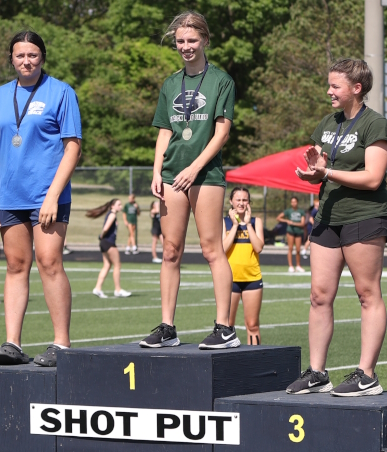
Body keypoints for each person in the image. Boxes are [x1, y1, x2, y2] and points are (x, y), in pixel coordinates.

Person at [286, 58, 387, 397]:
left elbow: (373, 177)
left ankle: (367, 374)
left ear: (356, 89)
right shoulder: (328, 122)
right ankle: (317, 372)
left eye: (335, 86)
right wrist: (312, 170)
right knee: (319, 295)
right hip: (327, 216)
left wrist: (327, 173)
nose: (329, 91)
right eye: (329, 85)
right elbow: (318, 161)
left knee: (367, 294)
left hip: (364, 216)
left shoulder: (375, 125)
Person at [140, 11, 240, 350]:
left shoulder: (221, 81)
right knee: (170, 251)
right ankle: (167, 326)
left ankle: (224, 327)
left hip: (206, 174)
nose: (186, 46)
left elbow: (222, 132)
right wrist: (157, 170)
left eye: (192, 40)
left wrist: (195, 168)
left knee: (212, 250)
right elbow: (165, 131)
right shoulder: (170, 83)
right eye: (180, 41)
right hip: (172, 175)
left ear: (205, 40)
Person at [0, 30, 80, 368]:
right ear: (11, 58)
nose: (27, 61)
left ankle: (61, 343)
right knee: (15, 266)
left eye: (33, 55)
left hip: (47, 196)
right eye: (21, 55)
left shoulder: (61, 92)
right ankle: (12, 343)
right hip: (10, 196)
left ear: (42, 57)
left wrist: (53, 196)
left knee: (49, 262)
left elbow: (72, 147)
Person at [223, 187, 264, 345]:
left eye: (244, 200)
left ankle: (256, 360)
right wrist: (235, 225)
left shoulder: (255, 221)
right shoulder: (224, 222)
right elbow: (223, 248)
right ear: (231, 202)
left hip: (252, 279)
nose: (241, 203)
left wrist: (246, 224)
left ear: (249, 202)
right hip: (230, 279)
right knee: (228, 326)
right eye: (238, 200)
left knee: (252, 325)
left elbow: (259, 247)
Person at [90, 199, 131, 298]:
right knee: (117, 265)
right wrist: (101, 235)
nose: (121, 206)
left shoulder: (111, 214)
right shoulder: (112, 215)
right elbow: (105, 228)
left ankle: (97, 288)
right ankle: (118, 290)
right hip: (109, 242)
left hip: (105, 243)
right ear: (112, 206)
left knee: (107, 265)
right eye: (119, 204)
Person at [278, 196, 306, 272]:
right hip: (290, 232)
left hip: (298, 232)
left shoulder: (301, 211)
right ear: (291, 203)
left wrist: (293, 223)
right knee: (290, 248)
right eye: (292, 202)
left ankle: (298, 265)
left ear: (297, 202)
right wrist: (287, 221)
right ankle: (290, 266)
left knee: (298, 249)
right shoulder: (288, 211)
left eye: (295, 202)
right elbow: (279, 218)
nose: (294, 203)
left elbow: (302, 223)